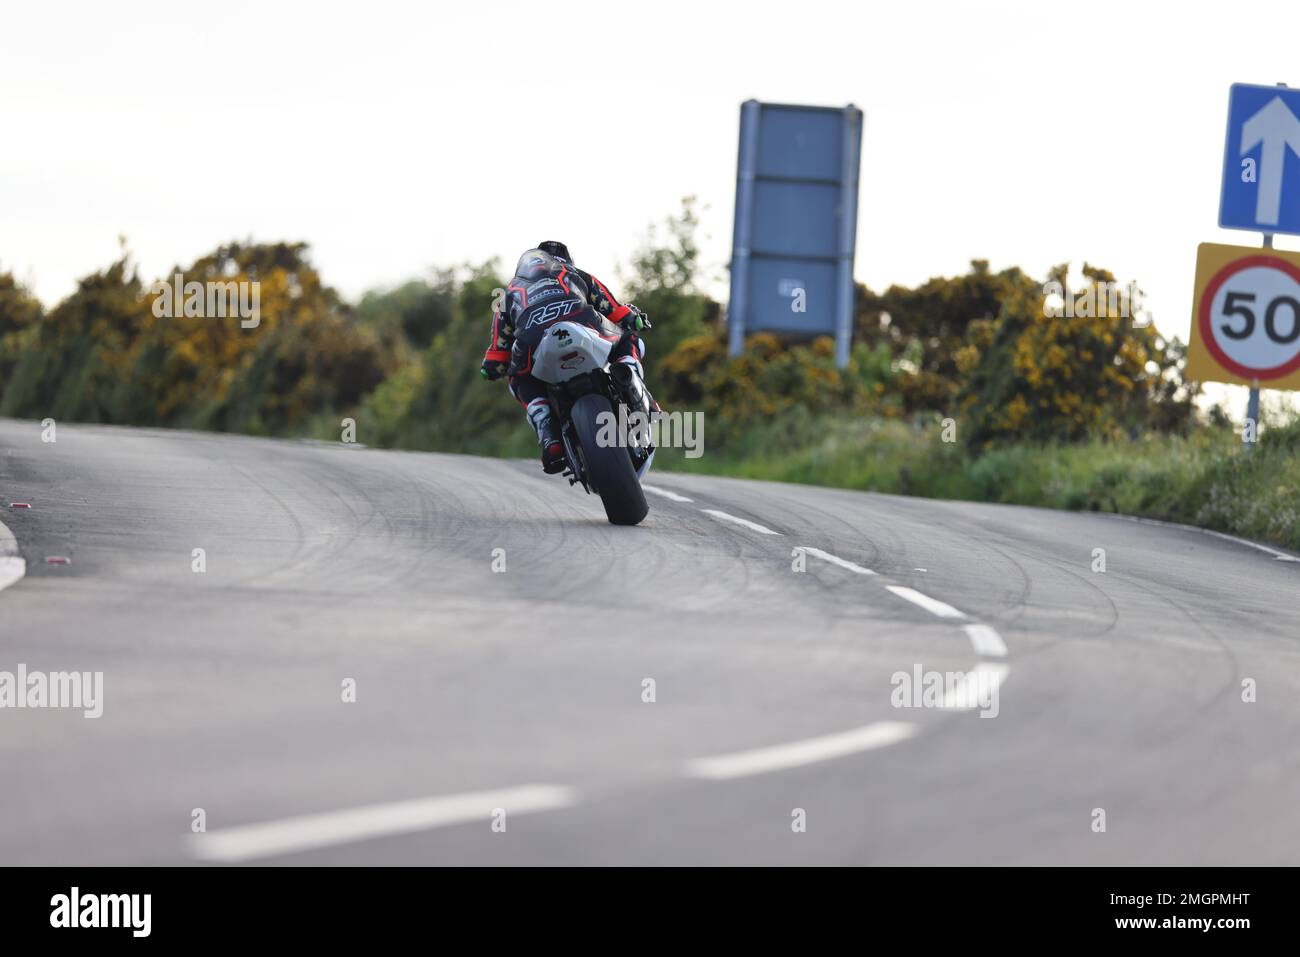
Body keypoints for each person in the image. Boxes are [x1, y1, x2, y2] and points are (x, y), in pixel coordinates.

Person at [481, 241, 654, 472]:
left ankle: (547, 428)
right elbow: (614, 309)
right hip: (585, 323)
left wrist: (493, 368)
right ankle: (631, 384)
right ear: (566, 259)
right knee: (627, 339)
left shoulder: (508, 294)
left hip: (533, 344)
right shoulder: (573, 273)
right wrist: (635, 319)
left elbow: (497, 351)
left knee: (517, 379)